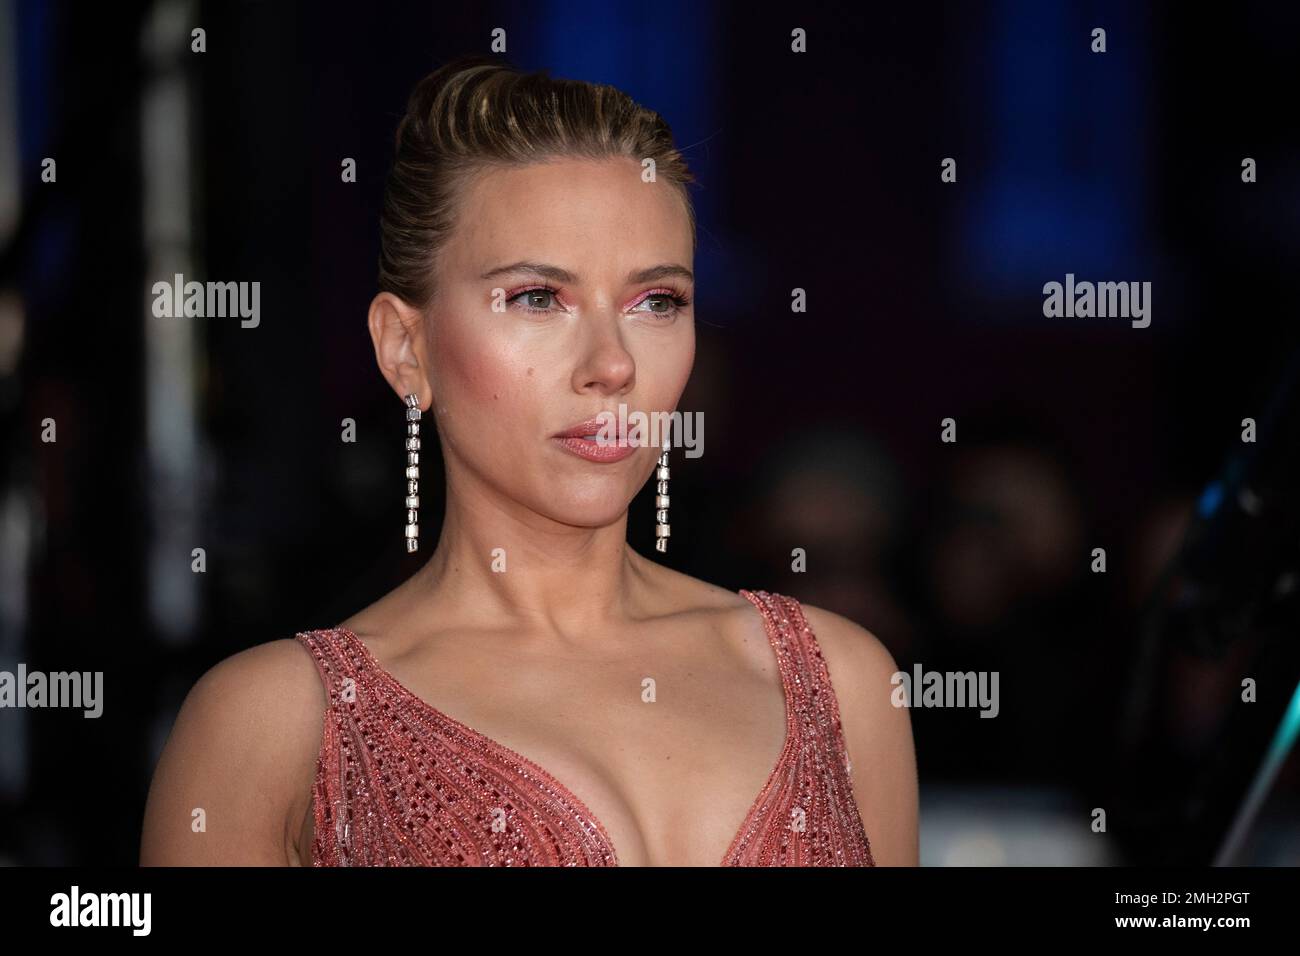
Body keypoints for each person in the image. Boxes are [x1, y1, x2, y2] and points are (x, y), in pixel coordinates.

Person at [139, 55, 917, 867]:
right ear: (406, 349)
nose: (611, 365)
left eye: (657, 302)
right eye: (538, 298)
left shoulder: (840, 684)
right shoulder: (276, 723)